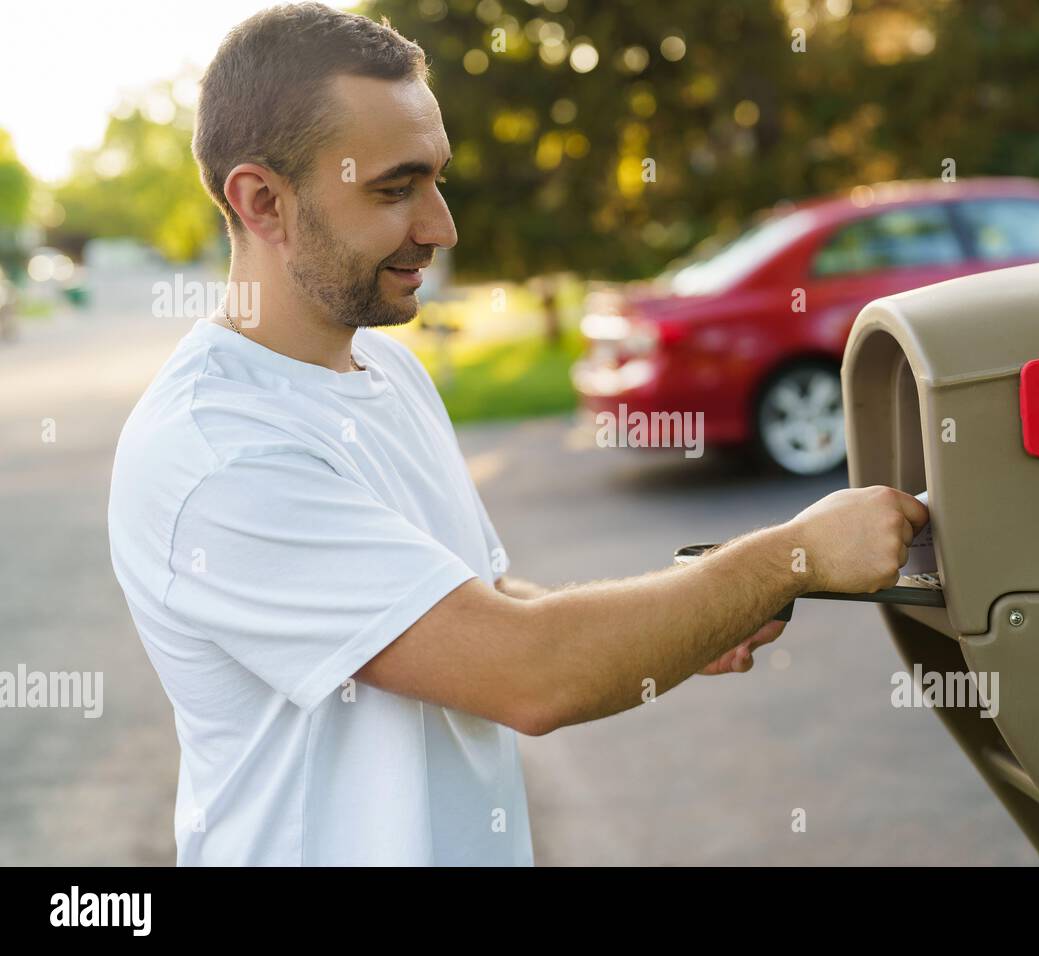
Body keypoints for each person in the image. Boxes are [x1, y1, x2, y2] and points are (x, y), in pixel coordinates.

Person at [106, 2, 928, 866]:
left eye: (437, 181)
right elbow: (526, 670)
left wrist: (692, 615)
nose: (441, 227)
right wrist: (790, 554)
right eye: (395, 188)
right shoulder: (218, 454)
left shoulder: (387, 371)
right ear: (261, 201)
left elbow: (485, 603)